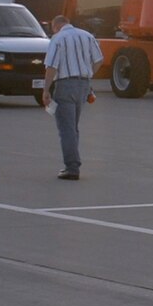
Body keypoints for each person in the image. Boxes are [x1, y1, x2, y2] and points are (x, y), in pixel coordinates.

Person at [43, 12, 105, 180]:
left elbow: (51, 66)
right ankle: (72, 163)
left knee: (67, 128)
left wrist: (46, 90)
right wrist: (88, 73)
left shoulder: (57, 39)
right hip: (83, 85)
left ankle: (72, 167)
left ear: (56, 26)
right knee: (73, 126)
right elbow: (99, 60)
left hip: (65, 85)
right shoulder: (87, 36)